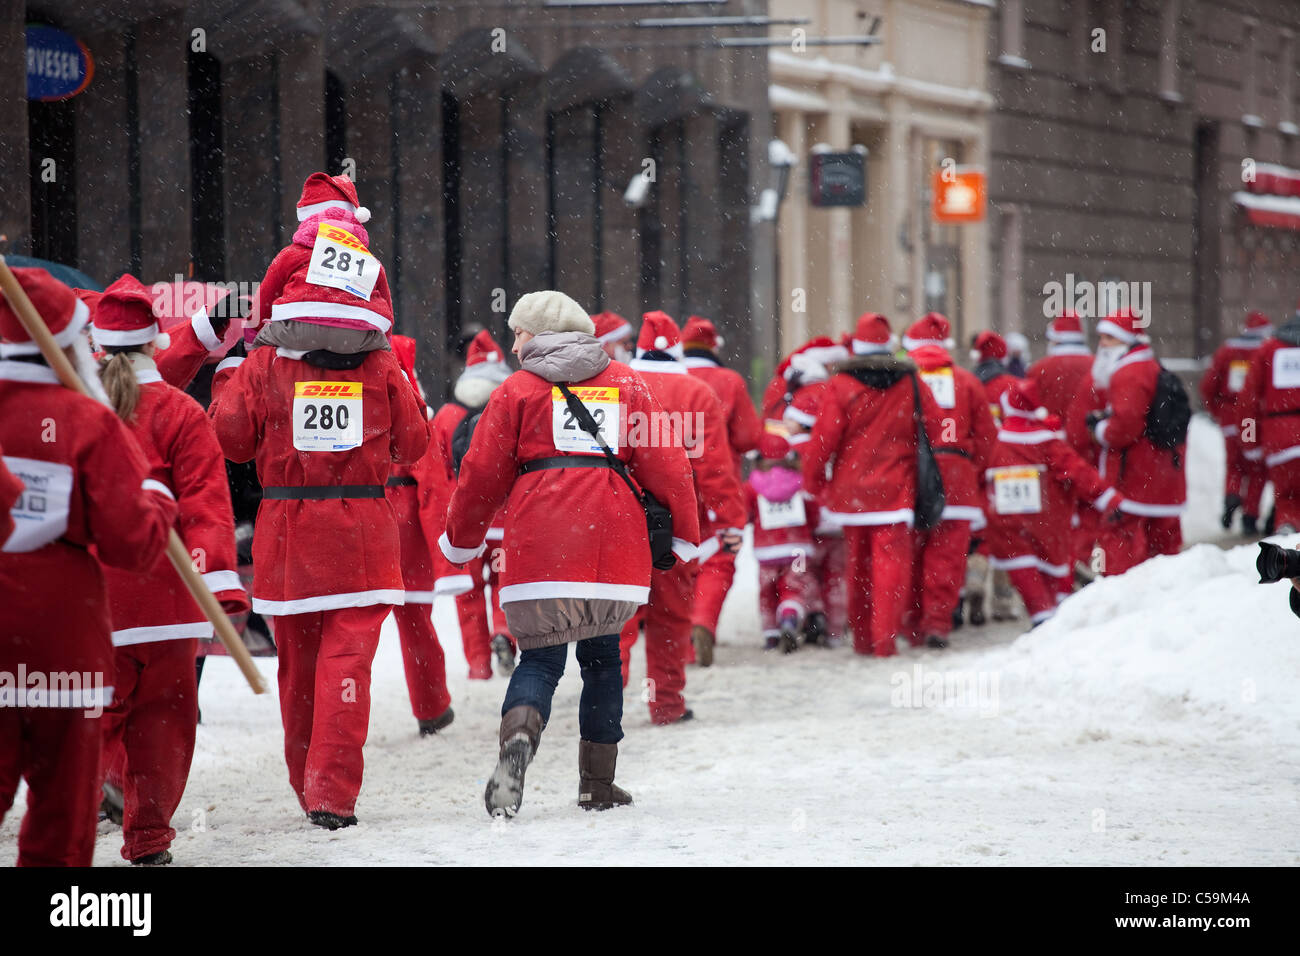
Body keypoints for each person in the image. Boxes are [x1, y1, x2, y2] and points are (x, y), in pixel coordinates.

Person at [438, 291, 700, 817]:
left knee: (539, 656)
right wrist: (683, 535)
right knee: (603, 660)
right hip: (612, 543)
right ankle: (597, 784)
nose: (513, 345)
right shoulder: (628, 383)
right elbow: (667, 463)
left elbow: (481, 475)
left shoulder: (516, 392)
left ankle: (518, 743)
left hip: (541, 543)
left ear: (539, 334)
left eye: (519, 333)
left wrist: (462, 539)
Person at [208, 269, 428, 830]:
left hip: (289, 531)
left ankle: (305, 783)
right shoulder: (380, 363)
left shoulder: (267, 361)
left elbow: (230, 441)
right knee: (347, 664)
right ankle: (332, 792)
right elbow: (414, 443)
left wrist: (227, 383)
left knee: (298, 668)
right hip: (364, 533)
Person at [0, 267, 177, 866]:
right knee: (62, 809)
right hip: (63, 637)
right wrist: (157, 500)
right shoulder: (86, 420)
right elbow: (132, 541)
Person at [89, 275, 249, 865]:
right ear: (158, 342)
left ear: (98, 345)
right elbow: (208, 505)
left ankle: (102, 776)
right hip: (167, 606)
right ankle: (149, 837)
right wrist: (217, 581)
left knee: (98, 711)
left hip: (95, 604)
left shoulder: (80, 412)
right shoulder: (182, 413)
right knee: (164, 726)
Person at [619, 311, 745, 713]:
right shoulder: (697, 394)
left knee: (615, 619)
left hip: (620, 516)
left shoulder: (616, 386)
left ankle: (607, 700)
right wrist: (729, 522)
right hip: (676, 521)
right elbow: (715, 468)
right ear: (678, 351)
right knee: (671, 618)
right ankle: (666, 703)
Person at [802, 322, 945, 657]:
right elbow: (937, 426)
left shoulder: (840, 384)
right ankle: (885, 640)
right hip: (897, 487)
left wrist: (813, 481)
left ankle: (863, 638)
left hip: (851, 490)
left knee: (858, 564)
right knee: (891, 565)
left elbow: (823, 439)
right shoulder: (911, 381)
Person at [984, 380, 1123, 627]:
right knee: (1048, 559)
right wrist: (1107, 498)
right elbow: (1077, 470)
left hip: (1005, 512)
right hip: (1046, 515)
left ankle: (1042, 612)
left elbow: (979, 468)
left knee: (1019, 559)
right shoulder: (1048, 443)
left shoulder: (996, 439)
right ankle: (1050, 611)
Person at [423, 329, 515, 678]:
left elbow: (436, 472)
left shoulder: (446, 416)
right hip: (505, 521)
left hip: (467, 524)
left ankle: (478, 664)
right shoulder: (510, 408)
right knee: (506, 585)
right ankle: (504, 632)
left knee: (468, 593)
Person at [903, 313, 997, 648]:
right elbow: (987, 438)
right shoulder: (968, 382)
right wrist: (974, 470)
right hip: (957, 477)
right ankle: (937, 623)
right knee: (947, 556)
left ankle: (912, 623)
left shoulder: (904, 380)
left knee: (911, 554)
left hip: (912, 474)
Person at [680, 315, 762, 664]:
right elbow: (748, 437)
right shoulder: (729, 381)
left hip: (671, 485)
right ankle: (702, 621)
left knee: (678, 560)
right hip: (718, 481)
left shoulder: (669, 380)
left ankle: (680, 638)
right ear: (714, 348)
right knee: (719, 558)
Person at [386, 334, 454, 735]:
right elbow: (432, 492)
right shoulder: (417, 421)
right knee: (416, 627)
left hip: (358, 528)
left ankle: (331, 718)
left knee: (348, 632)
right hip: (406, 539)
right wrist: (445, 556)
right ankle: (430, 707)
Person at [1086, 309, 1187, 573]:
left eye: (1109, 338)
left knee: (1119, 535)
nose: (1102, 344)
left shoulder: (1128, 372)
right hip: (1164, 467)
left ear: (1126, 340)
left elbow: (1124, 428)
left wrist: (1099, 428)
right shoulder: (1150, 366)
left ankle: (1120, 591)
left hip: (1136, 473)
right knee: (1163, 542)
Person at [1201, 311, 1273, 535]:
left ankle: (1231, 495)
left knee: (1234, 465)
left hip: (1229, 418)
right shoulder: (1266, 351)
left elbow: (1208, 385)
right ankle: (1250, 516)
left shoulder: (1227, 352)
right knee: (1256, 468)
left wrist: (1217, 411)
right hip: (1251, 419)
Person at [746, 433, 819, 651]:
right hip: (797, 550)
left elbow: (745, 513)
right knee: (794, 588)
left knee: (767, 592)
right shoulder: (801, 483)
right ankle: (789, 618)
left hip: (766, 553)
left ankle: (771, 635)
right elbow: (813, 514)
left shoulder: (752, 487)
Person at [1238, 308, 1300, 534]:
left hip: (1280, 439)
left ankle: (1287, 537)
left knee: (1287, 500)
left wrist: (1249, 443)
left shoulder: (1269, 349)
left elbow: (1247, 401)